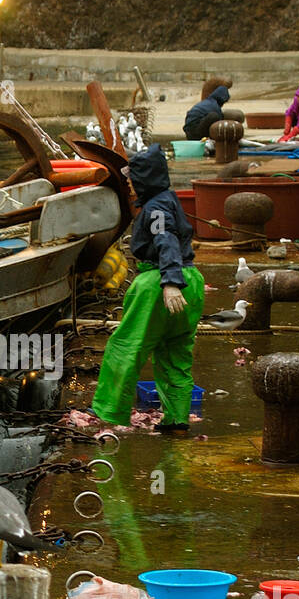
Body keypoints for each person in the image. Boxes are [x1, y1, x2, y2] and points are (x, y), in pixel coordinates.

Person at [91, 144, 206, 432]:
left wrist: (170, 282)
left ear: (146, 179)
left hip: (159, 284)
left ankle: (108, 414)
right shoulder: (169, 199)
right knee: (175, 355)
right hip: (192, 281)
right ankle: (176, 419)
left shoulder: (155, 209)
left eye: (133, 179)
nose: (129, 184)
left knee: (125, 348)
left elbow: (165, 239)